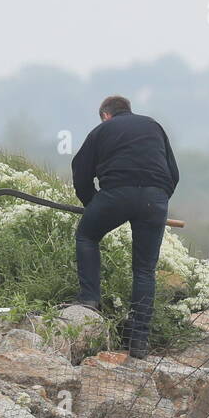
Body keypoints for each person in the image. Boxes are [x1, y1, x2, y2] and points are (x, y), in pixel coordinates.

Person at [71, 95, 179, 360]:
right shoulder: (154, 126)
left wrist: (93, 205)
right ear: (128, 111)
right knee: (144, 270)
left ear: (106, 115)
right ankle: (139, 341)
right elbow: (173, 174)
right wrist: (157, 200)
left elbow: (80, 172)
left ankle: (89, 301)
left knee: (86, 236)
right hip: (156, 198)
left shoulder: (101, 131)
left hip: (116, 194)